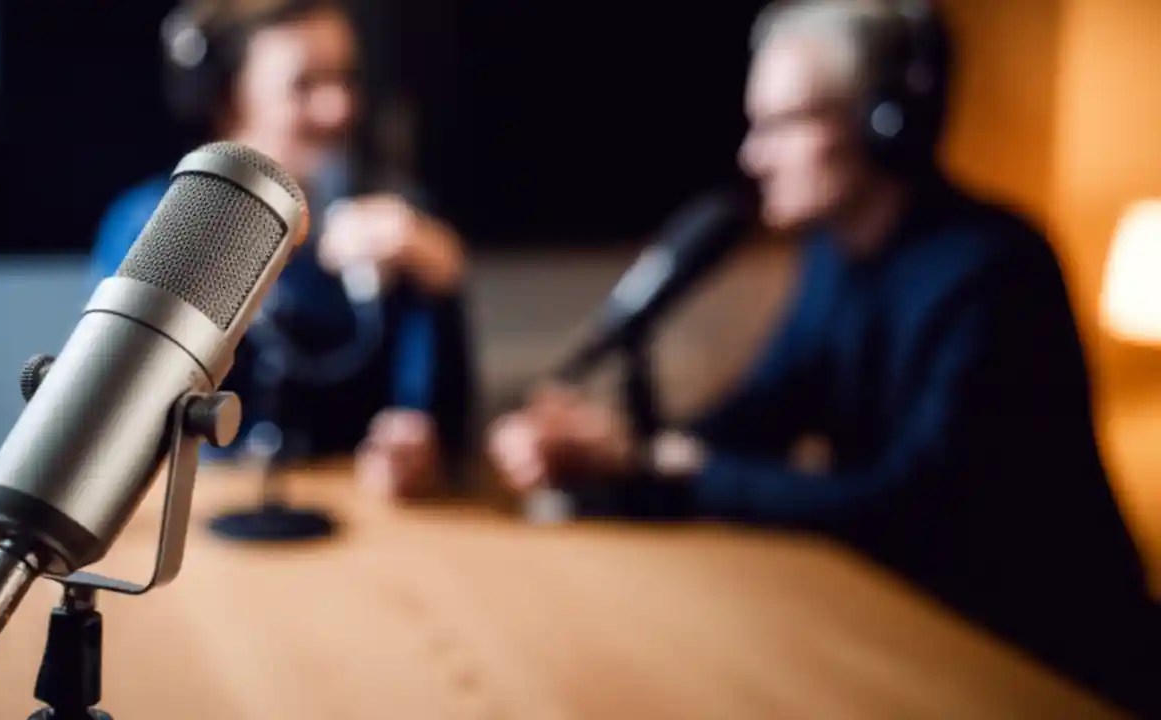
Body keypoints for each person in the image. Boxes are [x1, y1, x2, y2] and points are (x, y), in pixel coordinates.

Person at [487, 0, 1159, 712]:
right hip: (919, 641)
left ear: (884, 122)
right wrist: (621, 449)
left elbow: (905, 507)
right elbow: (762, 411)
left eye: (784, 124)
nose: (753, 154)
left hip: (1054, 669)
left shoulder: (994, 272)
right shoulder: (835, 259)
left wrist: (669, 468)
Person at [92, 0, 473, 499]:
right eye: (305, 85)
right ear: (229, 98)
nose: (339, 107)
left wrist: (442, 279)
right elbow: (123, 416)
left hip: (365, 522)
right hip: (199, 512)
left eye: (346, 79)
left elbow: (444, 428)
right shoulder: (153, 226)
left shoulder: (402, 224)